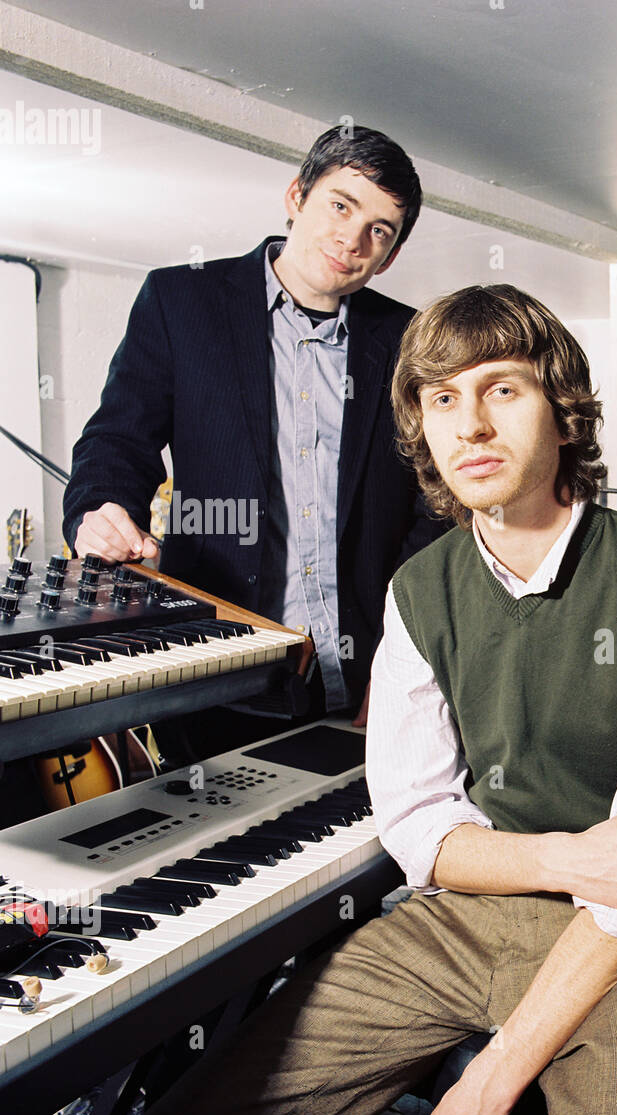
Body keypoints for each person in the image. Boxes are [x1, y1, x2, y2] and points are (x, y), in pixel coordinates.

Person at [113, 284, 617, 1115]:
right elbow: (417, 826)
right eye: (442, 400)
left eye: (502, 389)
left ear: (563, 406)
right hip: (467, 918)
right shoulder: (421, 590)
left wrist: (484, 1090)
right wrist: (567, 855)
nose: (470, 424)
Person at [62, 124, 441, 747]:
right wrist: (99, 510)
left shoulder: (410, 339)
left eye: (380, 230)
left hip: (368, 683)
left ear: (392, 254)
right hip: (214, 671)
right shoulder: (181, 299)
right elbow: (117, 440)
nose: (352, 238)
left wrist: (405, 653)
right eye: (340, 206)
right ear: (296, 196)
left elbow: (434, 505)